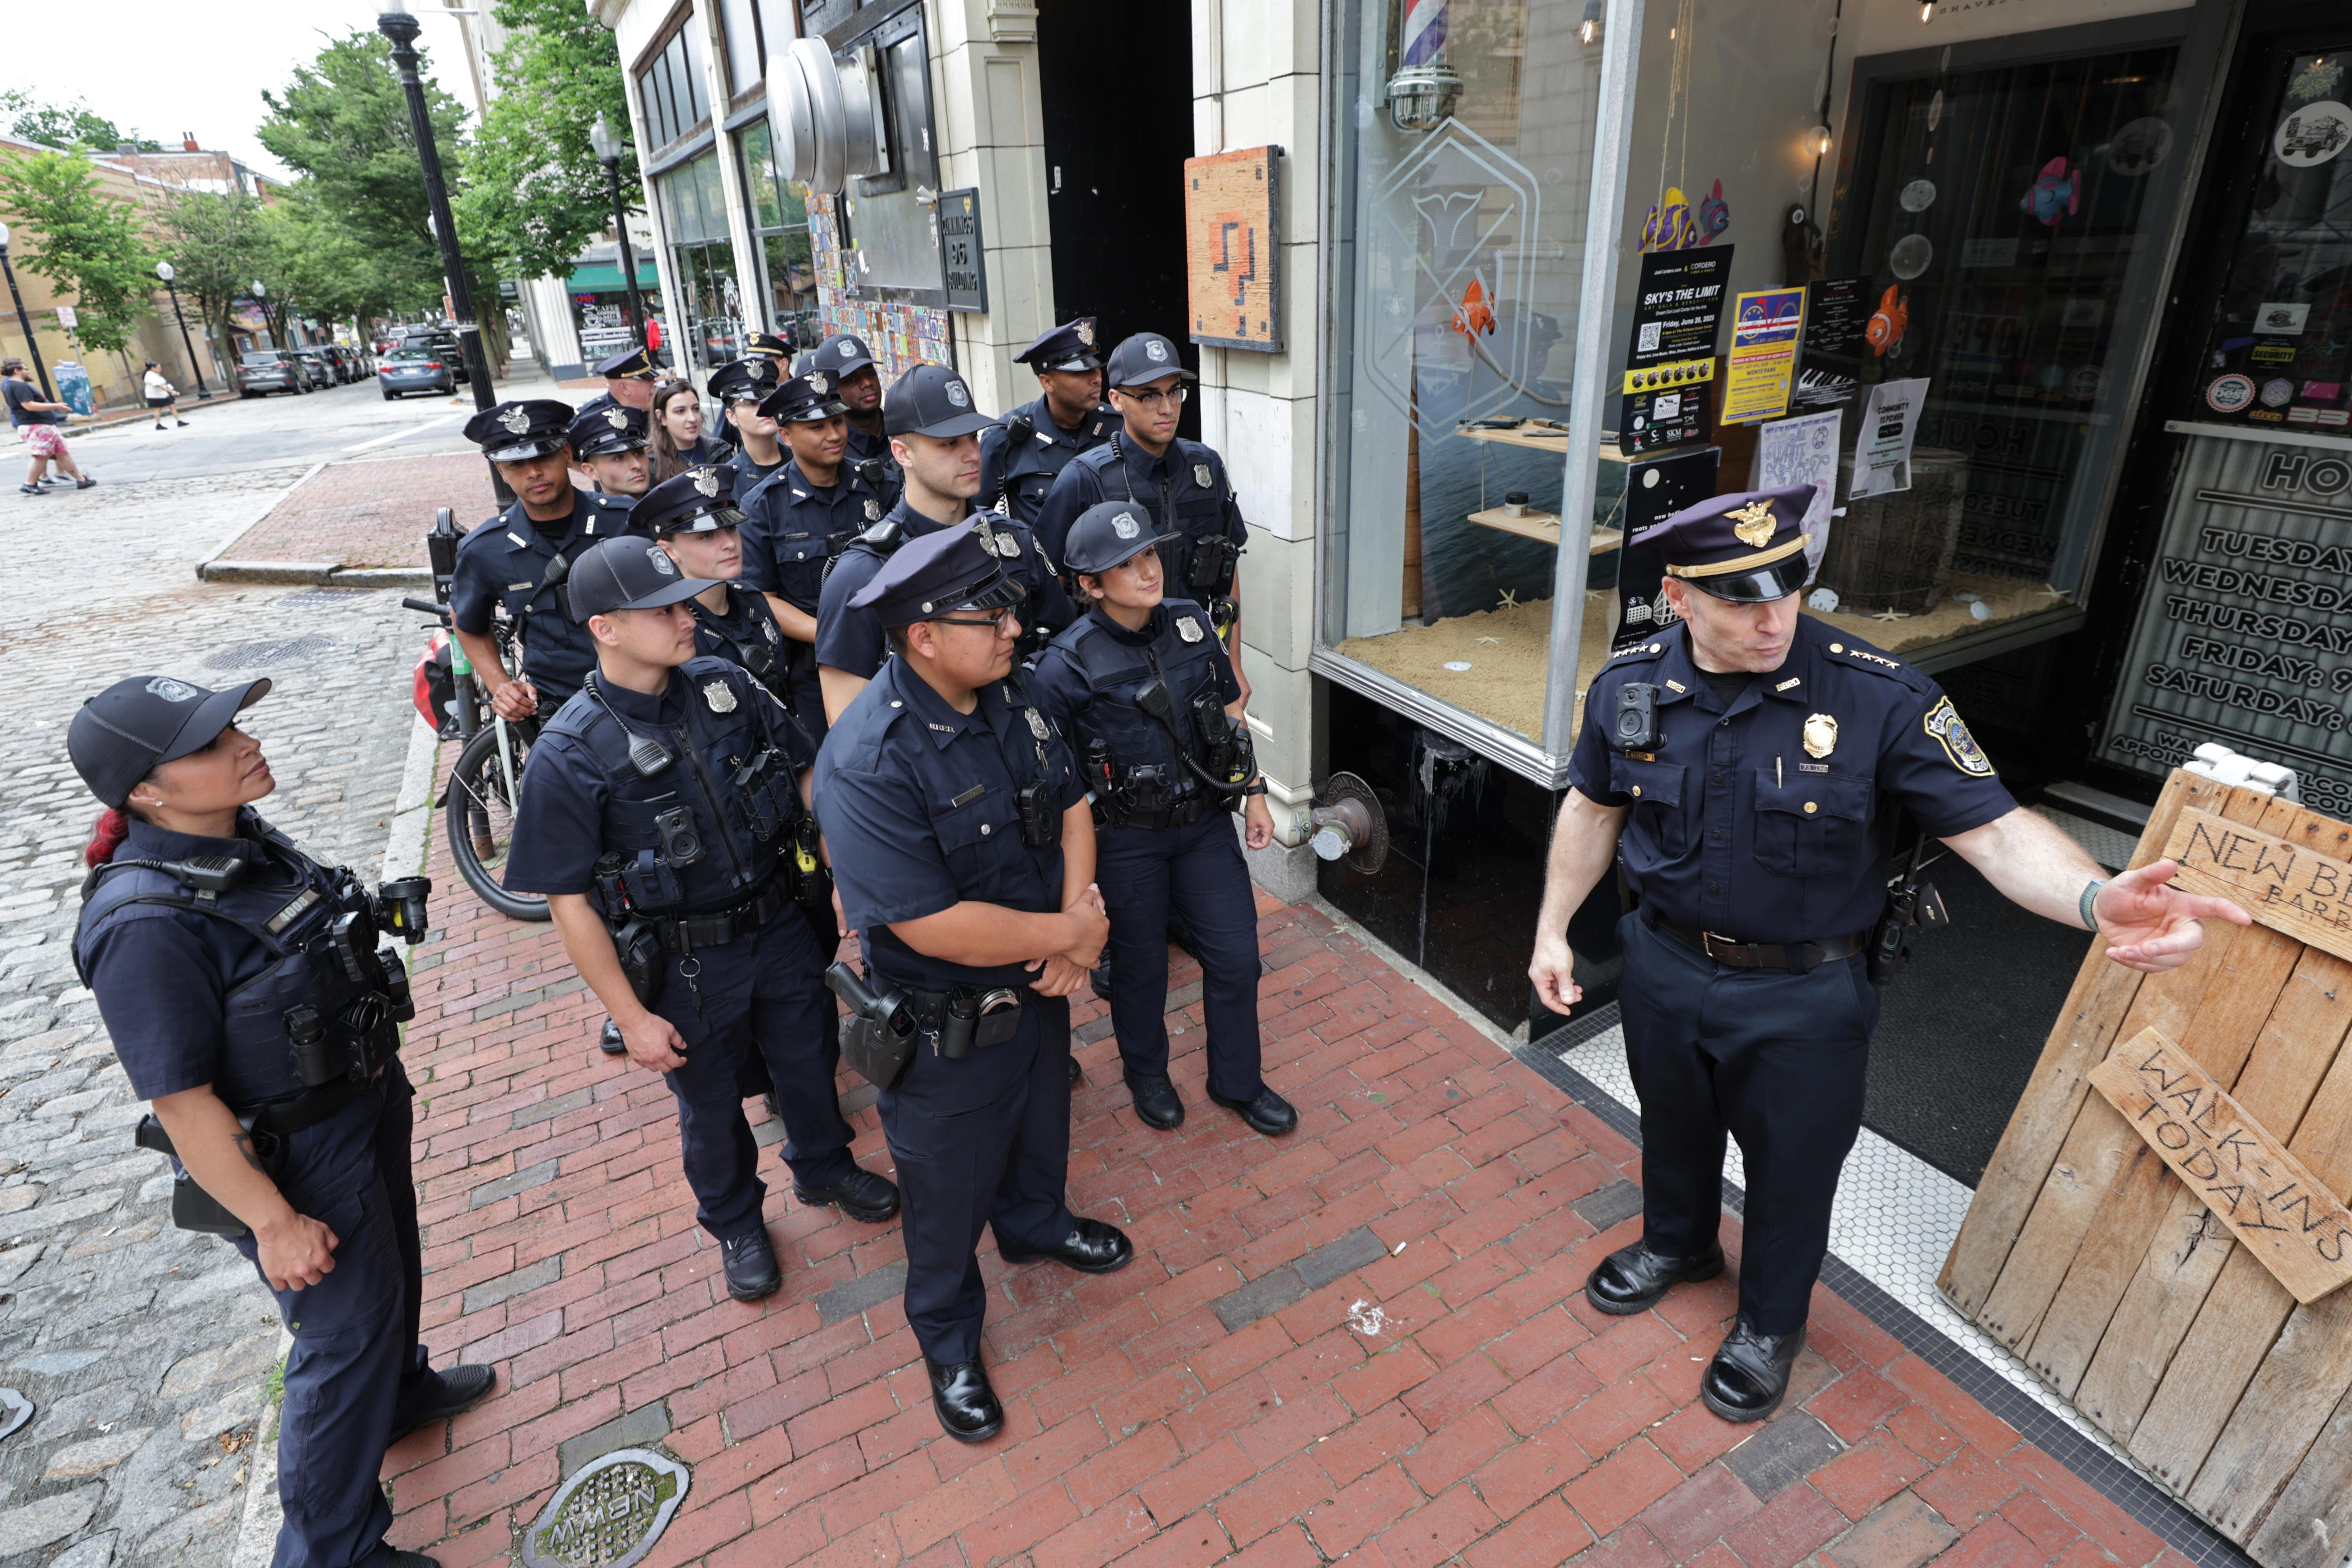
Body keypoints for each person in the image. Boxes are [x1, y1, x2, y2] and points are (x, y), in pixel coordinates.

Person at [1524, 484, 2253, 1424]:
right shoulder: (1628, 684)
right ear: (1678, 597)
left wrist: (2092, 896)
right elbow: (1593, 805)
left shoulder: (1878, 693)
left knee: (1792, 1165)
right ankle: (1679, 1242)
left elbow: (1994, 832)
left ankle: (1769, 1322)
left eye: (1787, 589)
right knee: (1671, 1122)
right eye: (1742, 600)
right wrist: (1553, 926)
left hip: (1805, 990)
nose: (1773, 618)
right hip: (1661, 962)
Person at [69, 674, 494, 1568]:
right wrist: (272, 1222)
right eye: (212, 742)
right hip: (290, 1158)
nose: (243, 743)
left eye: (235, 726)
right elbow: (182, 1105)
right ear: (146, 789)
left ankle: (402, 1396)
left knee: (389, 1281)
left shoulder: (236, 840)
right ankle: (329, 1551)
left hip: (357, 1100)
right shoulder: (142, 921)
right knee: (339, 1341)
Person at [504, 536, 900, 1300]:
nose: (686, 616)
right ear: (605, 627)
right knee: (711, 1108)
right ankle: (737, 1223)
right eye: (662, 609)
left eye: (682, 601)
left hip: (780, 924)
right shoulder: (569, 750)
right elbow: (568, 901)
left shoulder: (724, 684)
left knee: (809, 1062)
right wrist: (630, 1017)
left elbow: (807, 770)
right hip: (685, 959)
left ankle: (824, 1168)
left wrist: (849, 869)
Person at [815, 523, 1130, 1442]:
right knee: (946, 1194)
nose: (1012, 628)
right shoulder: (868, 757)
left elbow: (1069, 803)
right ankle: (949, 1337)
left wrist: (1074, 933)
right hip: (946, 1026)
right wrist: (1072, 929)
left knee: (1042, 1126)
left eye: (1010, 608)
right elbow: (925, 919)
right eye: (987, 614)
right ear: (921, 634)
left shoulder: (1011, 692)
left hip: (1037, 985)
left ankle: (1034, 1223)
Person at [1030, 503, 1294, 1136]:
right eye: (1125, 563)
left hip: (1204, 825)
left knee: (1236, 957)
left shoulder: (1191, 622)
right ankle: (1146, 1070)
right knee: (1140, 967)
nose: (1147, 570)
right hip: (1125, 841)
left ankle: (1237, 1081)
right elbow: (1054, 783)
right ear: (1089, 585)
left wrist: (1256, 792)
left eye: (1149, 553)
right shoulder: (1064, 666)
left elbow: (1229, 714)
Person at [815, 364, 1073, 726]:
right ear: (903, 453)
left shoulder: (1012, 539)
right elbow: (849, 728)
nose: (971, 454)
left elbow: (1065, 646)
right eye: (949, 443)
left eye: (972, 438)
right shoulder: (863, 573)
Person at [1035, 332, 1249, 706]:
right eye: (1149, 395)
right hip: (1114, 677)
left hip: (1196, 661)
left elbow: (1227, 572)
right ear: (1115, 399)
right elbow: (1051, 581)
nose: (1167, 408)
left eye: (1174, 391)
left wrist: (1234, 666)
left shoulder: (1206, 466)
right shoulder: (1084, 477)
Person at [447, 399, 645, 724]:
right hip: (558, 711)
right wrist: (501, 686)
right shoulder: (485, 549)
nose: (534, 473)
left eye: (543, 457)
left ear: (566, 454)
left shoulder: (625, 522)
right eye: (517, 465)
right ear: (500, 470)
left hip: (644, 690)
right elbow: (466, 621)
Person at [736, 369, 890, 745]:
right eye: (818, 427)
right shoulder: (763, 506)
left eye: (838, 421)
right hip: (815, 669)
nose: (836, 435)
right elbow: (762, 599)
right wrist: (832, 635)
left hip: (892, 652)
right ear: (786, 436)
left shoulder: (879, 483)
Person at [977, 318, 1116, 530]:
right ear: (1047, 382)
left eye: (1097, 367)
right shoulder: (1006, 438)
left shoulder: (1117, 425)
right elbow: (973, 516)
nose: (1097, 378)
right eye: (1082, 372)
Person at [794, 333, 901, 499]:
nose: (866, 383)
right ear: (831, 393)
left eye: (869, 374)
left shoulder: (904, 429)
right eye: (851, 380)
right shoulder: (832, 451)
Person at [4, 357, 93, 495]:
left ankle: (81, 480)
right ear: (17, 371)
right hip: (36, 426)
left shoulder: (12, 385)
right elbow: (29, 405)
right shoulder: (18, 386)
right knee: (40, 456)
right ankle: (30, 484)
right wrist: (56, 406)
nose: (28, 371)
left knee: (62, 453)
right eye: (25, 369)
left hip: (43, 426)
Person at [706, 357, 788, 492]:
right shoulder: (727, 482)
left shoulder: (804, 461)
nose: (763, 407)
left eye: (769, 399)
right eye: (750, 403)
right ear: (731, 416)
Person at [649, 377, 734, 483]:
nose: (692, 418)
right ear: (662, 417)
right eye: (680, 411)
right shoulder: (651, 464)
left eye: (696, 409)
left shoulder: (719, 451)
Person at [568, 403, 654, 500]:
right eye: (618, 458)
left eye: (639, 453)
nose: (637, 465)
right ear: (592, 471)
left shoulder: (671, 506)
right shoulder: (588, 515)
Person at [575, 343, 661, 423]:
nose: (654, 383)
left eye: (653, 379)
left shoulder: (662, 408)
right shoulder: (590, 418)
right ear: (624, 388)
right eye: (647, 380)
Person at [144, 361, 190, 429]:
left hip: (162, 394)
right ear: (153, 368)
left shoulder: (156, 374)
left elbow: (163, 383)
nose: (160, 369)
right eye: (158, 368)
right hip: (155, 395)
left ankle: (179, 421)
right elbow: (158, 385)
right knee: (158, 409)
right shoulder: (150, 375)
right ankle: (158, 425)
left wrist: (170, 389)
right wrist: (170, 391)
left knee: (172, 406)